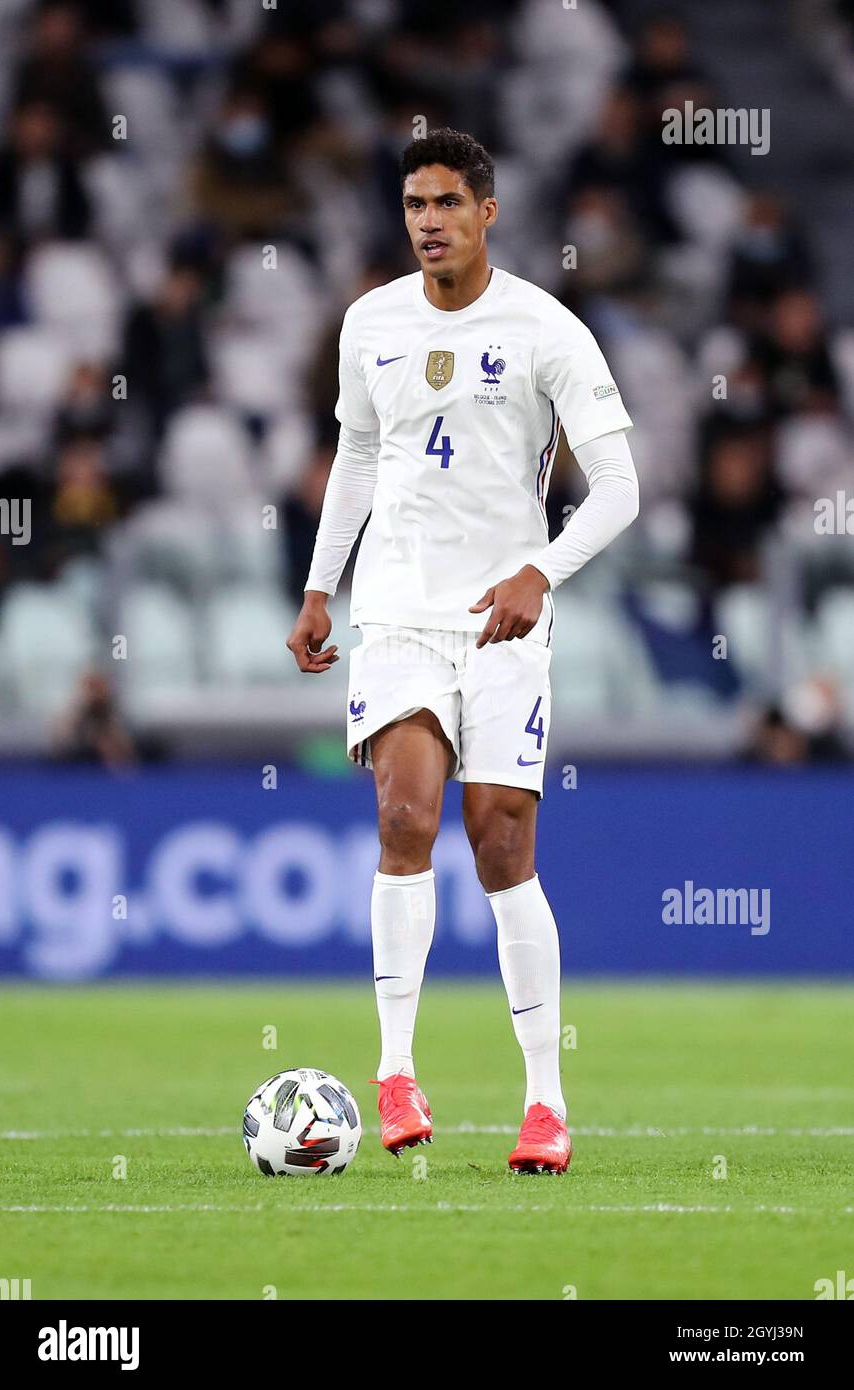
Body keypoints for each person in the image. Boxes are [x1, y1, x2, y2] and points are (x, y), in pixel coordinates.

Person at [286, 128, 639, 1174]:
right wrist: (318, 587)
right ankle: (395, 1071)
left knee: (498, 844)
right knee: (404, 812)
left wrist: (542, 572)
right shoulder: (370, 323)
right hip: (396, 611)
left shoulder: (546, 330)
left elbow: (619, 489)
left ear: (487, 211)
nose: (427, 222)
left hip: (502, 619)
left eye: (445, 202)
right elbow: (355, 452)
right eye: (411, 205)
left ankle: (543, 1101)